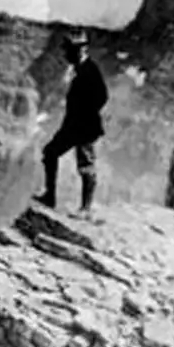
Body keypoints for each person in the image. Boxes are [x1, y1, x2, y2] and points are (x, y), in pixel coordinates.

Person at [34, 31, 108, 215]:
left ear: (80, 50)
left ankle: (86, 208)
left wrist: (86, 114)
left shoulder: (90, 70)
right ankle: (49, 197)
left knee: (86, 166)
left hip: (85, 128)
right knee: (50, 153)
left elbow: (102, 97)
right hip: (72, 126)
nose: (66, 54)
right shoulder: (78, 69)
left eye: (70, 50)